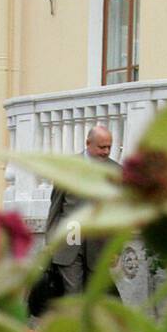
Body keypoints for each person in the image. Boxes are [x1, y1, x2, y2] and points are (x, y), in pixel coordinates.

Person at [45, 124, 121, 295]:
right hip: (69, 239)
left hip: (99, 244)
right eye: (102, 147)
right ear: (88, 143)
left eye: (109, 147)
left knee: (94, 295)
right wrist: (50, 242)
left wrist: (116, 249)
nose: (106, 151)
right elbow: (55, 207)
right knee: (73, 294)